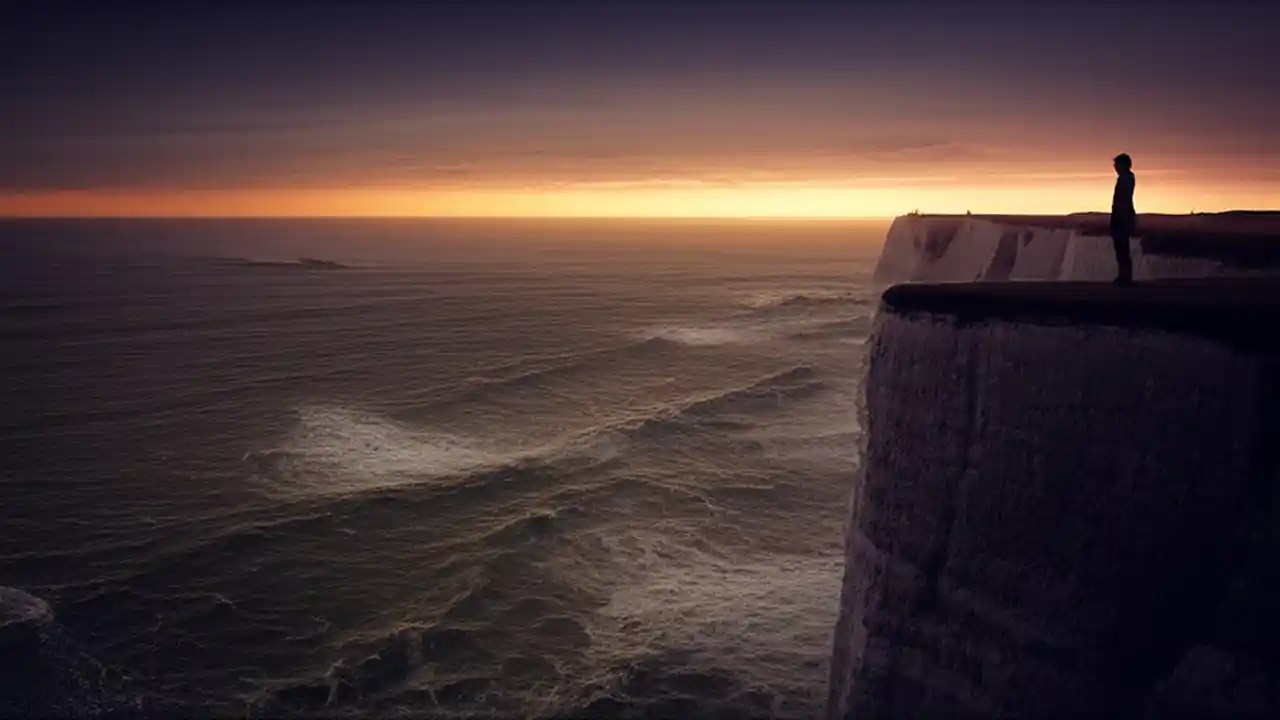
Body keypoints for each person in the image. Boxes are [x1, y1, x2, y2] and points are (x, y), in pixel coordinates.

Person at [1110, 153, 1136, 284]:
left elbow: (1123, 200)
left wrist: (1119, 217)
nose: (1115, 167)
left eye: (1116, 164)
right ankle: (1124, 276)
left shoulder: (1125, 178)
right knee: (1121, 248)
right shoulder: (1126, 178)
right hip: (1123, 216)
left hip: (1122, 217)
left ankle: (1125, 277)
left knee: (1122, 248)